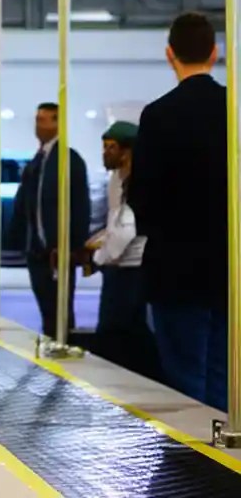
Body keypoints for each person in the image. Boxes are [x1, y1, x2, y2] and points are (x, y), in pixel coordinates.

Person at [127, 11, 228, 410]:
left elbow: (143, 195)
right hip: (228, 271)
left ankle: (191, 466)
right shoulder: (234, 110)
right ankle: (227, 463)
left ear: (170, 54)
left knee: (184, 376)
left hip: (175, 268)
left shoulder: (157, 115)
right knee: (222, 375)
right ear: (214, 52)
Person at [8, 103, 92, 338]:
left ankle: (63, 344)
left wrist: (71, 247)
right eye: (37, 119)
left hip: (58, 250)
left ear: (58, 124)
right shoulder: (37, 160)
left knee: (60, 308)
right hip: (36, 250)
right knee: (46, 307)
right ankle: (50, 341)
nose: (39, 125)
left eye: (45, 120)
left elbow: (80, 206)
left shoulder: (69, 160)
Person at [81, 121, 158, 378]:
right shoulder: (116, 179)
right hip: (116, 267)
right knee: (126, 331)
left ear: (127, 151)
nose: (105, 153)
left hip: (132, 268)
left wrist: (98, 255)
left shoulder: (140, 181)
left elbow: (126, 230)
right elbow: (114, 222)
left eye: (111, 148)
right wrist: (95, 242)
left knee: (116, 331)